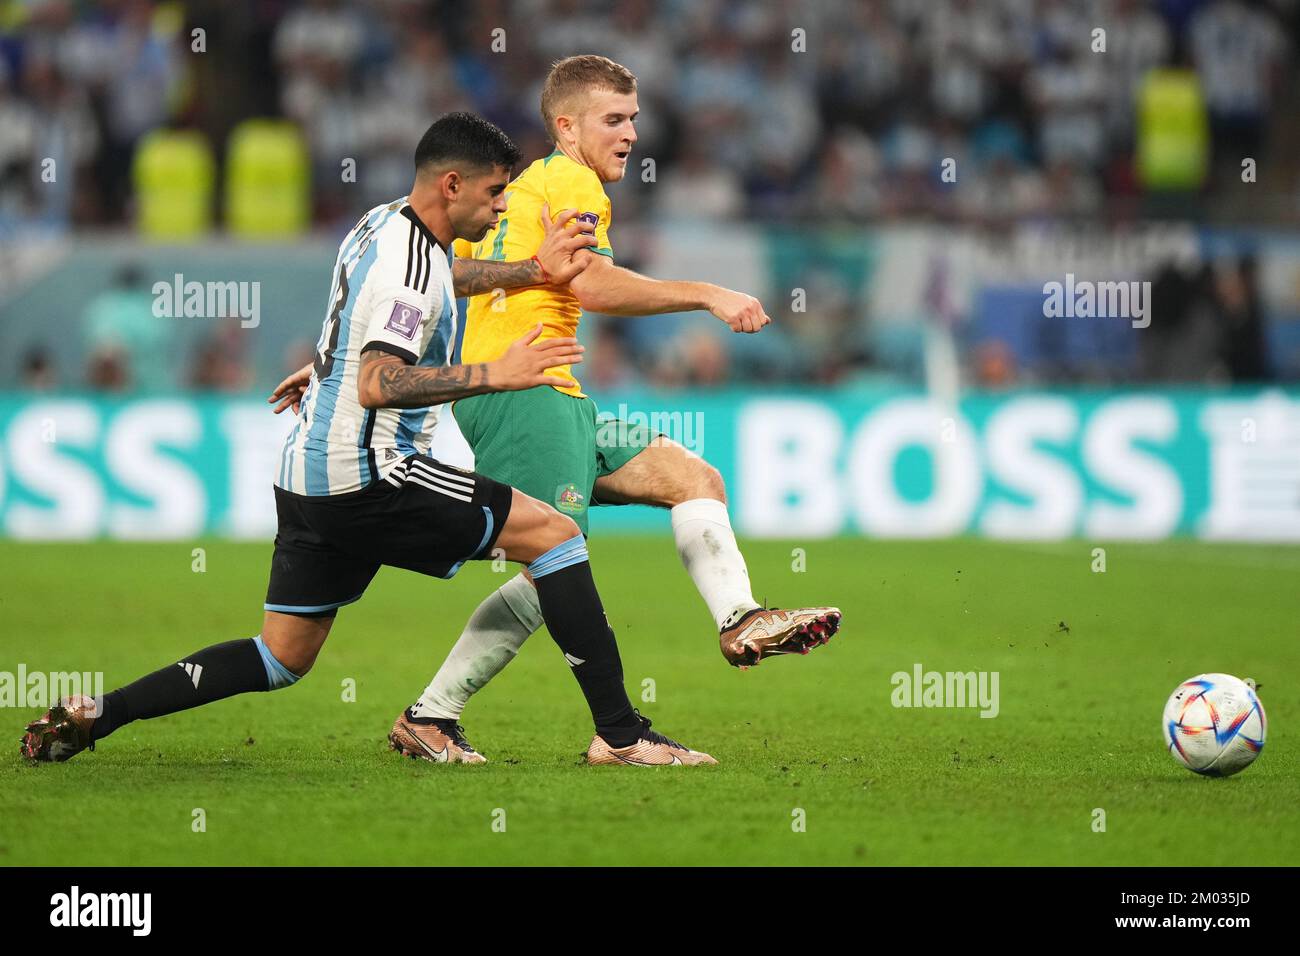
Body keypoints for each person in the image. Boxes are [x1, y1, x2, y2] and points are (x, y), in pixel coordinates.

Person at [21, 112, 715, 769]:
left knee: (281, 656)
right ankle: (621, 736)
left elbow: (436, 285)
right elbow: (379, 383)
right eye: (495, 193)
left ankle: (99, 712)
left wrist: (532, 272)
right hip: (372, 475)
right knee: (557, 535)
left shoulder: (382, 223)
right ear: (452, 185)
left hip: (306, 479)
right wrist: (493, 374)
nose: (503, 208)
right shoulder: (408, 270)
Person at [278, 56, 840, 764]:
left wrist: (334, 357)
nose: (632, 132)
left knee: (691, 480)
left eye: (634, 117)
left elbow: (447, 279)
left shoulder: (518, 191)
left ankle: (741, 619)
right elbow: (594, 285)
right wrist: (708, 293)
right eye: (615, 119)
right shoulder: (567, 180)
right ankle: (447, 717)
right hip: (523, 394)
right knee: (554, 561)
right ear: (566, 125)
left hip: (559, 393)